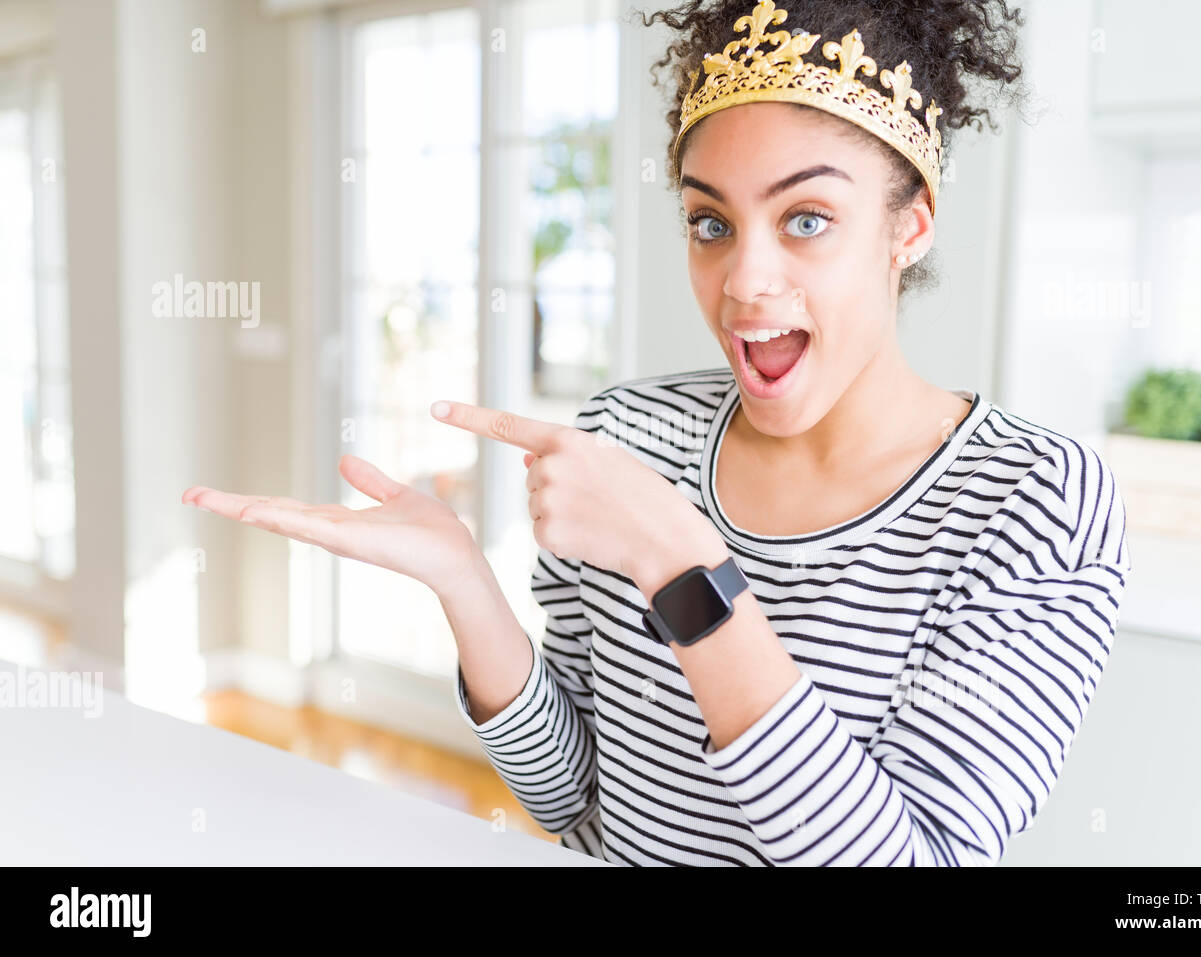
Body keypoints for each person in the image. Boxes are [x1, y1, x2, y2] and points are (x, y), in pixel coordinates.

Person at [183, 0, 1132, 866]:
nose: (744, 281)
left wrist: (685, 569)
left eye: (806, 218)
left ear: (909, 228)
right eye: (709, 222)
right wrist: (464, 582)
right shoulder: (629, 435)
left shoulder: (1037, 500)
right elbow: (573, 799)